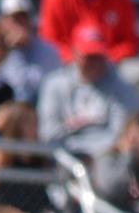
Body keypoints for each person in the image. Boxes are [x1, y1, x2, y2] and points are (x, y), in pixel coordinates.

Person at [35, 19, 133, 155]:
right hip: (61, 155)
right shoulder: (54, 84)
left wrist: (94, 151)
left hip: (105, 156)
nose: (93, 63)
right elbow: (47, 132)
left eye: (97, 56)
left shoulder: (121, 87)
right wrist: (71, 129)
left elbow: (119, 133)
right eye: (87, 57)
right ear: (74, 53)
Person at [39, 0, 139, 66]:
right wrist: (72, 57)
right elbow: (48, 41)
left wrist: (108, 58)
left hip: (110, 63)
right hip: (69, 62)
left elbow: (129, 43)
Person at [0, 0, 60, 105]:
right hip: (3, 110)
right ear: (3, 21)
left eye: (23, 17)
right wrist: (13, 50)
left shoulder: (48, 50)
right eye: (14, 19)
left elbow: (37, 87)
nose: (20, 24)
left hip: (37, 111)